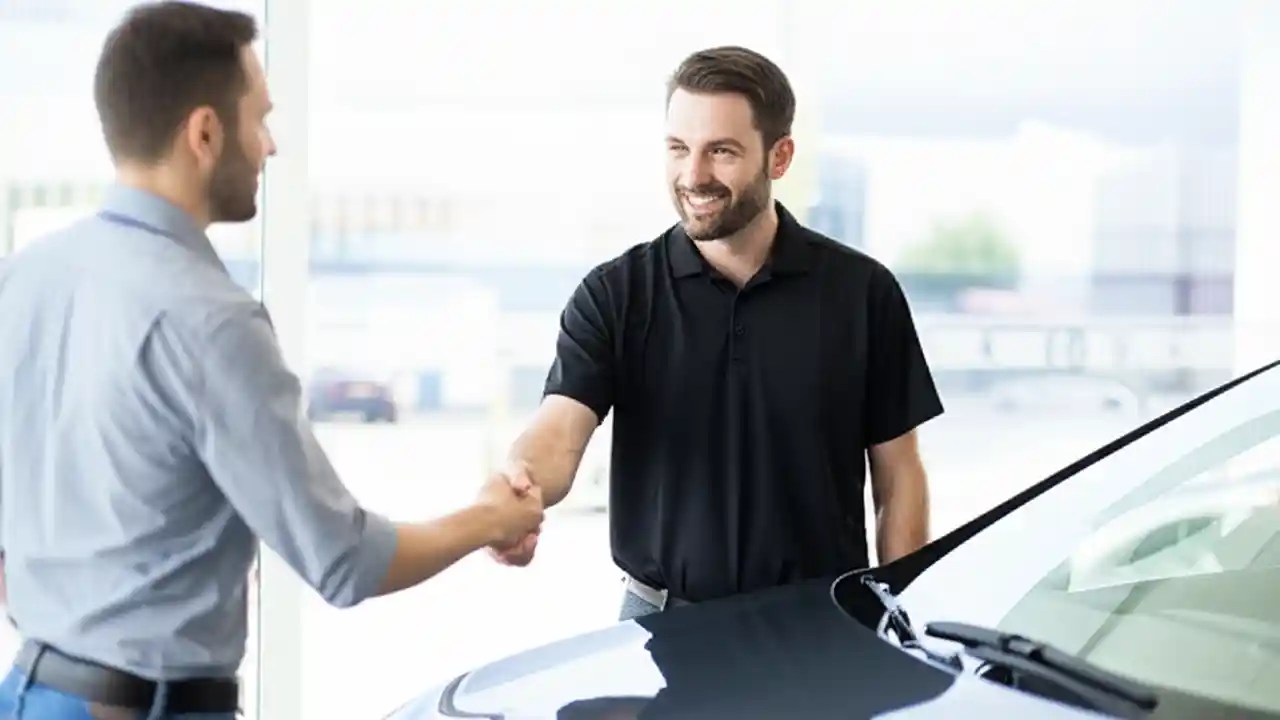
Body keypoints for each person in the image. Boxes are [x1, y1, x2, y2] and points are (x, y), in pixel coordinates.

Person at [0, 2, 543, 718]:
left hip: (28, 692)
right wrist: (487, 519)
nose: (270, 146)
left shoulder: (28, 275)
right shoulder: (211, 320)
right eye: (259, 119)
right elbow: (345, 560)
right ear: (203, 132)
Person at [492, 45, 943, 620]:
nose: (693, 175)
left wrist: (901, 618)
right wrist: (516, 490)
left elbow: (899, 474)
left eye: (721, 152)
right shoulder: (616, 294)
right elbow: (558, 431)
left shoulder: (862, 293)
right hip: (659, 623)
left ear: (779, 158)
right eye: (678, 148)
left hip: (823, 624)